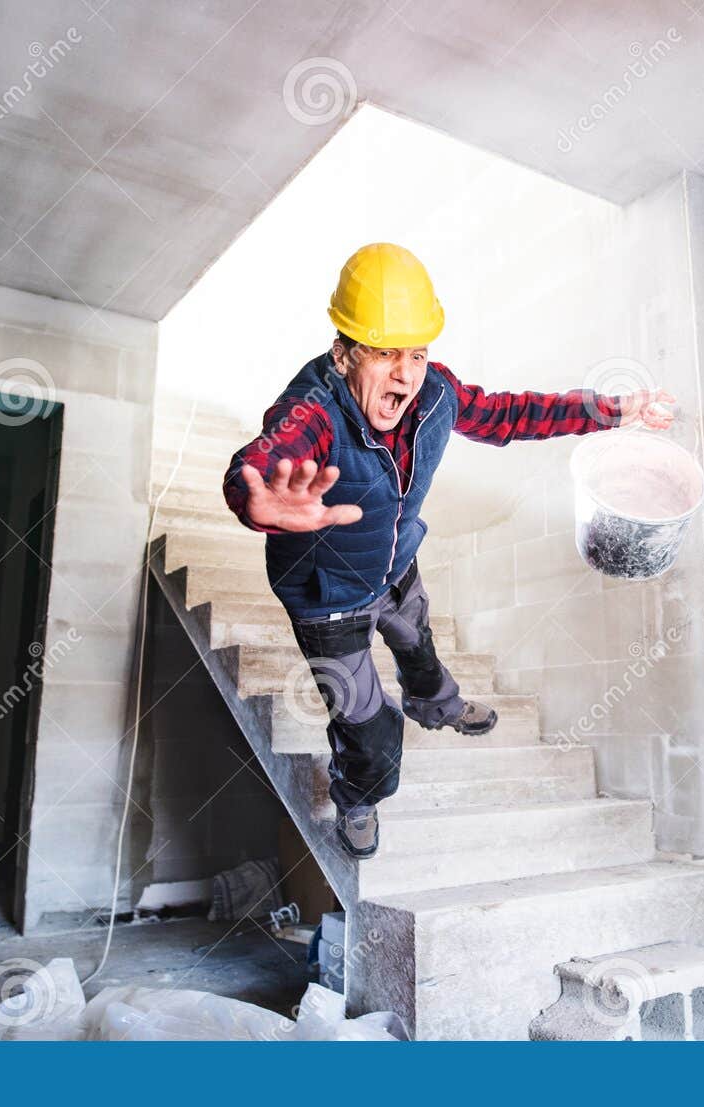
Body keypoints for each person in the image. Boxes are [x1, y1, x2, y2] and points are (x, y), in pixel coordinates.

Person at [223, 243, 674, 858]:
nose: (405, 374)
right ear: (344, 353)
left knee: (420, 647)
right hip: (328, 600)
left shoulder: (436, 392)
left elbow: (512, 414)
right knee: (367, 728)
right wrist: (258, 499)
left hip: (395, 564)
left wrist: (612, 410)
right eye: (384, 353)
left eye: (416, 353)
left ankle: (437, 706)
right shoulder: (314, 407)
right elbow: (264, 458)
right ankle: (358, 796)